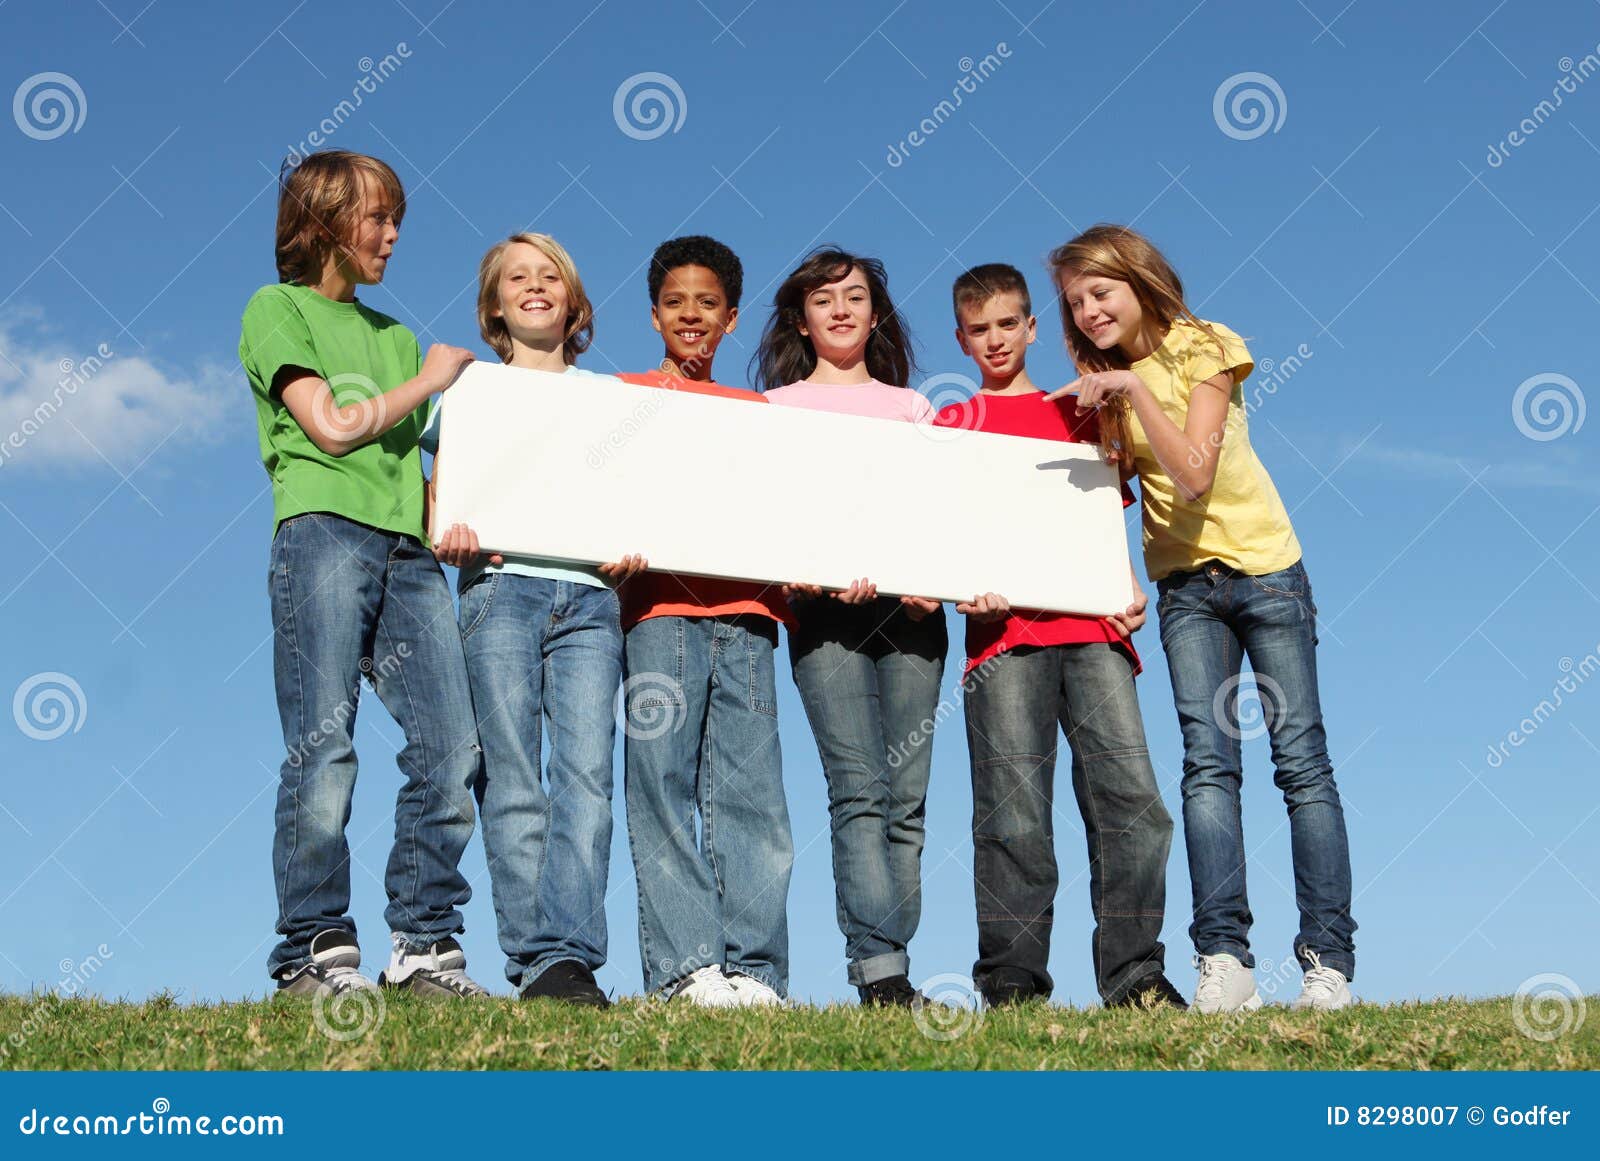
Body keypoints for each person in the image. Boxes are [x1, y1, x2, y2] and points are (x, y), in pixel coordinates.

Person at [1045, 224, 1356, 1012]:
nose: (1087, 311)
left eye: (1100, 292)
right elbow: (1104, 496)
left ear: (1138, 279)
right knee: (1208, 767)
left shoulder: (1206, 345)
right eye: (1075, 302)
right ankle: (1224, 956)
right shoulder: (1104, 386)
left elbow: (1193, 473)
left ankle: (1327, 960)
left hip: (1267, 573)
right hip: (1186, 592)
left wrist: (1134, 389)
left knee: (1301, 764)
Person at [239, 150, 486, 999]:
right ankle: (312, 949)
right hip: (322, 536)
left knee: (452, 746)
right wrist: (431, 381)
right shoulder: (276, 309)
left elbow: (436, 460)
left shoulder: (398, 337)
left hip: (408, 554)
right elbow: (335, 427)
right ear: (323, 222)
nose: (391, 236)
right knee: (326, 745)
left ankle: (423, 945)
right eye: (377, 218)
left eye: (396, 221)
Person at [933, 262, 1183, 1009]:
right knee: (1012, 812)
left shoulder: (1081, 410)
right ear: (961, 338)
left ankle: (1134, 972)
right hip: (1003, 637)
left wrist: (1128, 584)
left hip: (1096, 630)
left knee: (1133, 803)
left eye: (1008, 323)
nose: (995, 339)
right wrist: (963, 584)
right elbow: (942, 532)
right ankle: (1012, 978)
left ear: (1033, 327)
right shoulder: (950, 425)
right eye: (979, 329)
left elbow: (1105, 511)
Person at [426, 232, 644, 1006]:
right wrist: (443, 528)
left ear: (573, 300)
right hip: (499, 588)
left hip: (589, 596)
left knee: (586, 776)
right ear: (495, 304)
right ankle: (537, 958)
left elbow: (634, 493)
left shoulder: (610, 397)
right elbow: (438, 489)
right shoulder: (469, 391)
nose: (535, 285)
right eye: (517, 277)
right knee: (513, 773)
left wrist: (632, 543)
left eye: (550, 275)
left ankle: (569, 953)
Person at [754, 246, 947, 1007]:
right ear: (802, 320)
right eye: (824, 298)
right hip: (822, 617)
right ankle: (880, 971)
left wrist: (935, 580)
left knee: (908, 797)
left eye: (856, 297)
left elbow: (938, 510)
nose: (841, 309)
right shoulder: (775, 409)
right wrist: (792, 572)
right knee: (859, 789)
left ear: (875, 316)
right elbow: (763, 513)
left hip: (912, 616)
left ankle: (894, 956)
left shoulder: (914, 410)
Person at [614, 235, 796, 1008]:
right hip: (657, 610)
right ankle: (686, 966)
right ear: (654, 314)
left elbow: (787, 507)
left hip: (748, 613)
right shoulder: (619, 398)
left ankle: (756, 969)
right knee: (661, 782)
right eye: (675, 301)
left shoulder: (759, 413)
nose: (691, 314)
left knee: (753, 792)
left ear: (731, 318)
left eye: (708, 303)